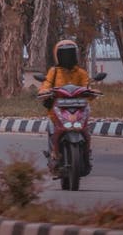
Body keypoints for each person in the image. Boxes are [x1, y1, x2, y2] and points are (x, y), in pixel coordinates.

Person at [37, 40, 90, 168]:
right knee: (51, 128)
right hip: (58, 110)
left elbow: (87, 87)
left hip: (78, 108)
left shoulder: (81, 73)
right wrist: (44, 91)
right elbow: (46, 85)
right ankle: (54, 155)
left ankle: (87, 155)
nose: (67, 57)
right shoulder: (53, 72)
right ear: (58, 56)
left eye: (70, 53)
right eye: (64, 54)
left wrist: (92, 92)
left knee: (86, 130)